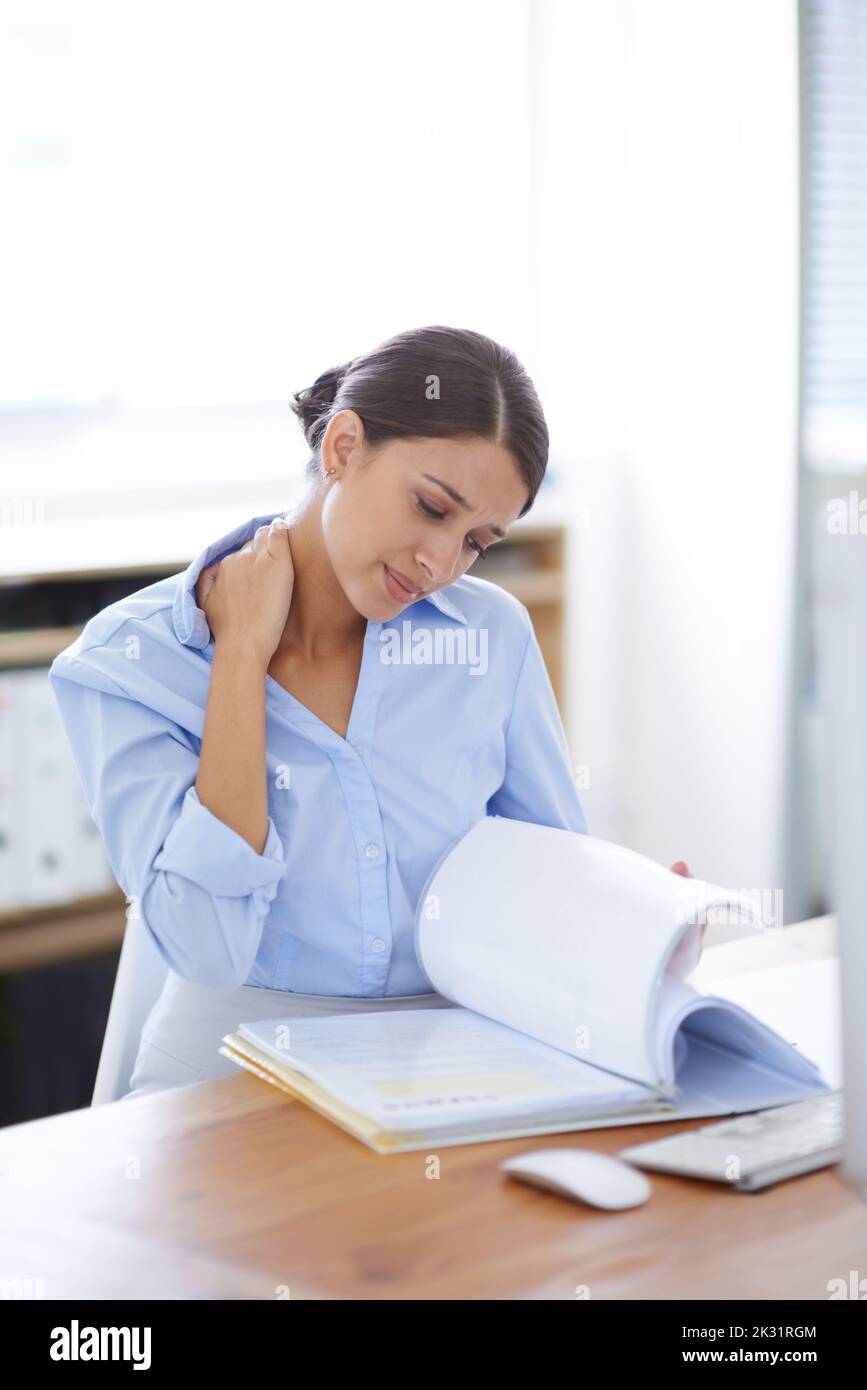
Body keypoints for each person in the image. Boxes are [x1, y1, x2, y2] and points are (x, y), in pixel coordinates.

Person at [49, 323, 693, 1098]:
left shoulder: (490, 637)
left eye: (476, 542)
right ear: (343, 448)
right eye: (429, 507)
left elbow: (544, 877)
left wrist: (632, 924)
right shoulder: (130, 662)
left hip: (442, 1066)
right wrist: (239, 661)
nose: (439, 564)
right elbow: (208, 947)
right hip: (225, 1073)